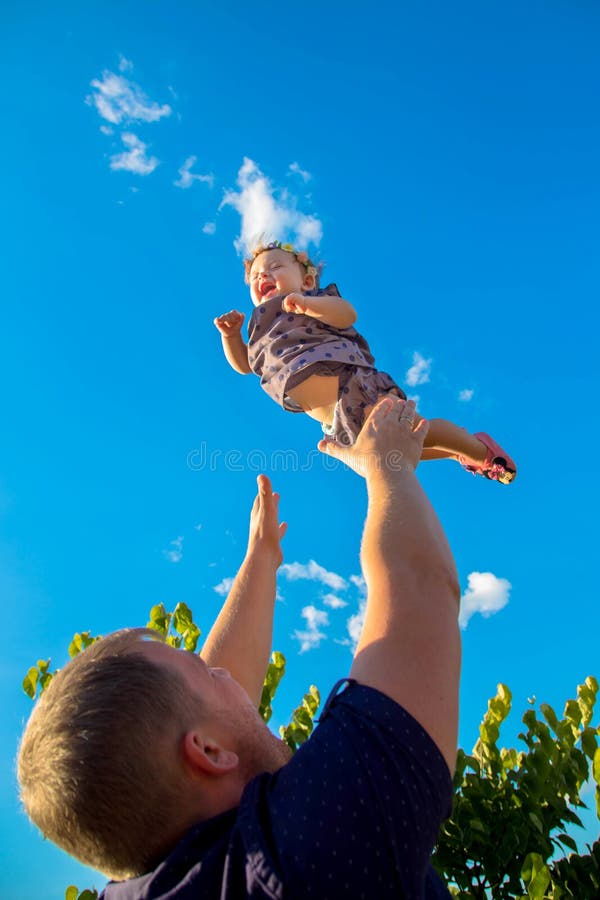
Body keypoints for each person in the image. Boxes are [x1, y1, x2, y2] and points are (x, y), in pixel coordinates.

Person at [18, 397, 460, 898]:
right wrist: (390, 468)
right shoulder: (314, 849)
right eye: (203, 672)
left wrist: (263, 559)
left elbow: (198, 718)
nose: (221, 672)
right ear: (206, 753)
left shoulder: (144, 869)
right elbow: (420, 588)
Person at [214, 240, 517, 484]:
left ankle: (478, 450)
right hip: (333, 419)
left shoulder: (313, 300)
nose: (262, 277)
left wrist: (309, 306)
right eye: (255, 276)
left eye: (274, 267)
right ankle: (457, 452)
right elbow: (245, 366)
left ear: (306, 281)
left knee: (413, 432)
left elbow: (347, 315)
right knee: (392, 455)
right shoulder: (258, 329)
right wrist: (230, 336)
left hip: (351, 385)